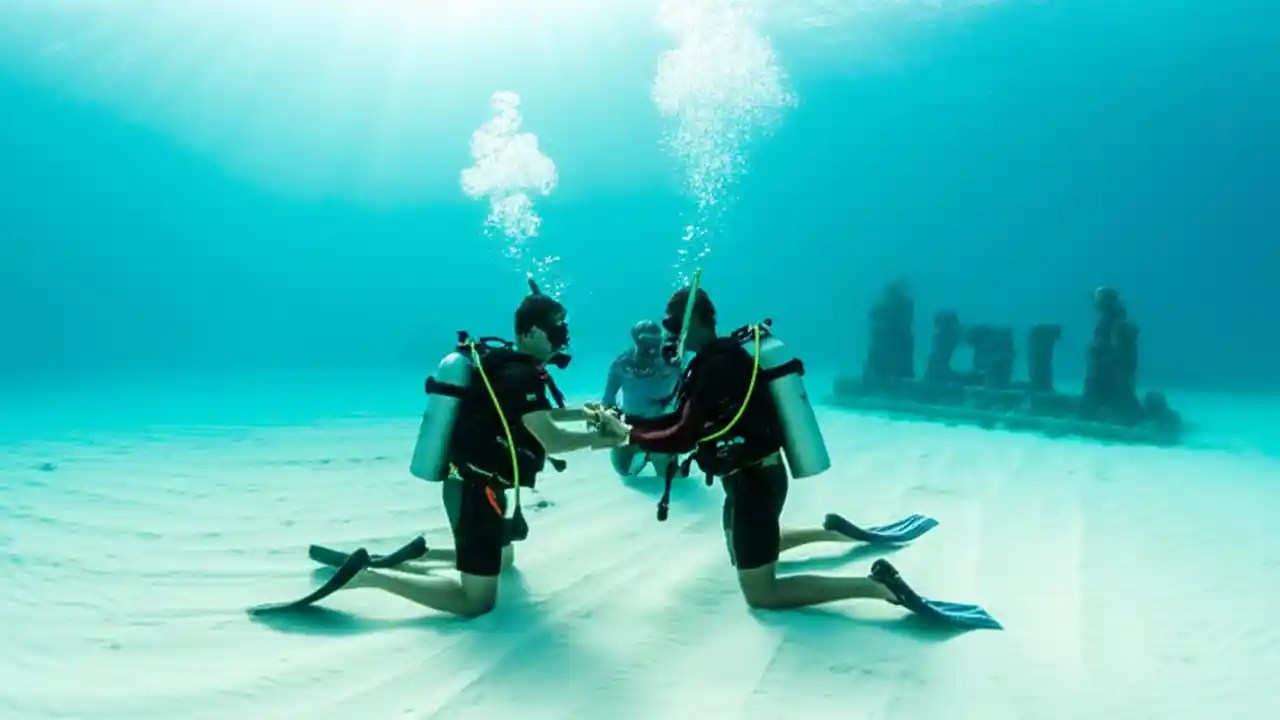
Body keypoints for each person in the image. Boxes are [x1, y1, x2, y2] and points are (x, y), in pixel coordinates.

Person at [610, 285, 912, 611]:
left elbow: (683, 437)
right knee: (739, 553)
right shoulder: (710, 360)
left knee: (761, 594)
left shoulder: (717, 367)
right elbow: (681, 418)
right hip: (744, 482)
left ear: (693, 321)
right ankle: (832, 533)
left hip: (756, 484)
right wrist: (629, 424)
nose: (669, 335)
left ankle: (878, 587)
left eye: (672, 325)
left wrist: (629, 436)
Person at [335, 291, 632, 618]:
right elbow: (551, 440)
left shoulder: (511, 368)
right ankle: (368, 576)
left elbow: (531, 418)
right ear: (531, 332)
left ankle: (418, 557)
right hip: (473, 492)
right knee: (476, 603)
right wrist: (602, 439)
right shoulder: (521, 376)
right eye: (557, 328)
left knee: (505, 561)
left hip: (482, 484)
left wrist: (588, 415)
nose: (564, 336)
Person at [600, 319, 682, 478]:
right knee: (623, 472)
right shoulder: (621, 364)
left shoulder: (672, 363)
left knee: (671, 479)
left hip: (662, 426)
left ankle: (663, 457)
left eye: (654, 344)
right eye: (645, 343)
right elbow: (608, 399)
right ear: (636, 340)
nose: (650, 351)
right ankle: (644, 455)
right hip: (632, 424)